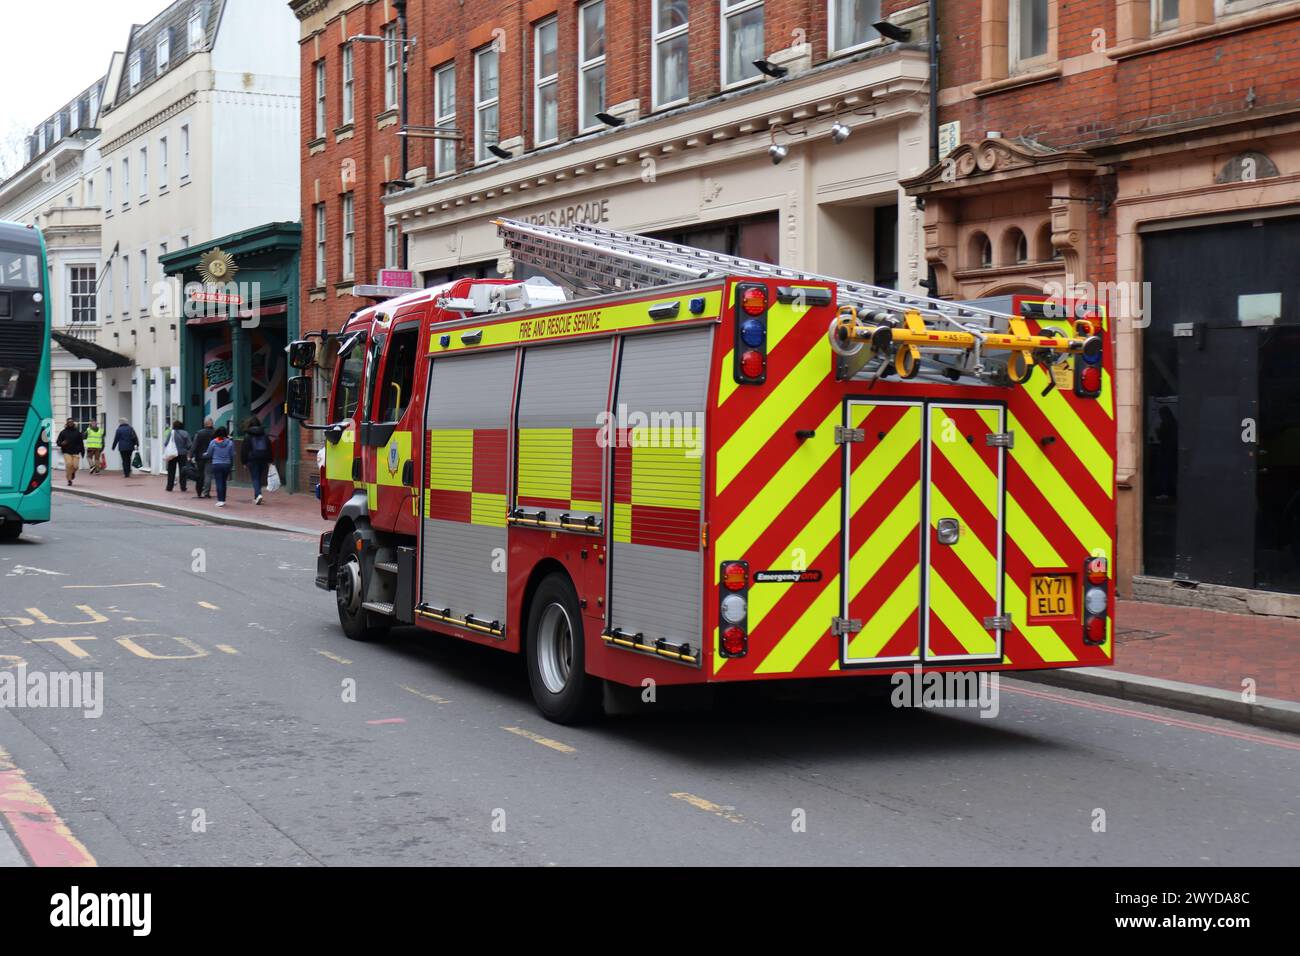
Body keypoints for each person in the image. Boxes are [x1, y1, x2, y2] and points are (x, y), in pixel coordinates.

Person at [241, 416, 273, 505]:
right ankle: (256, 496)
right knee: (258, 477)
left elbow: (244, 449)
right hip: (263, 458)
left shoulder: (248, 436)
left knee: (255, 478)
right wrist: (270, 460)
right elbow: (269, 447)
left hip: (252, 459)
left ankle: (258, 494)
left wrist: (244, 462)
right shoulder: (264, 435)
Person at [204, 426, 235, 507]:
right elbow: (232, 454)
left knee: (219, 482)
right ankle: (223, 499)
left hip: (216, 464)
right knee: (224, 482)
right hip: (226, 464)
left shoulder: (213, 442)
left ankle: (220, 500)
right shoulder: (230, 442)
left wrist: (204, 454)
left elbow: (209, 454)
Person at [164, 419, 192, 493]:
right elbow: (189, 445)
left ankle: (169, 487)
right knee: (182, 470)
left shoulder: (171, 433)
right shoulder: (185, 433)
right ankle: (183, 487)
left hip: (172, 454)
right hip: (182, 454)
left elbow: (166, 443)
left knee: (171, 471)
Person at [191, 417, 215, 498]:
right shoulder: (215, 433)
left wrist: (190, 454)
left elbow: (195, 445)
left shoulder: (199, 433)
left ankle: (199, 490)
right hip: (211, 456)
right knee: (208, 474)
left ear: (205, 424)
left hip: (200, 457)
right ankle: (206, 492)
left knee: (200, 474)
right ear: (211, 423)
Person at [56, 419, 85, 486]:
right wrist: (62, 443)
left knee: (75, 466)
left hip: (76, 452)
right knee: (69, 464)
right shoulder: (63, 432)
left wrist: (82, 451)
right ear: (67, 423)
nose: (70, 423)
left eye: (71, 422)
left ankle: (72, 472)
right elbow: (58, 442)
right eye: (69, 422)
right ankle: (69, 480)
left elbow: (81, 443)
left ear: (73, 423)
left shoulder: (77, 432)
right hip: (67, 451)